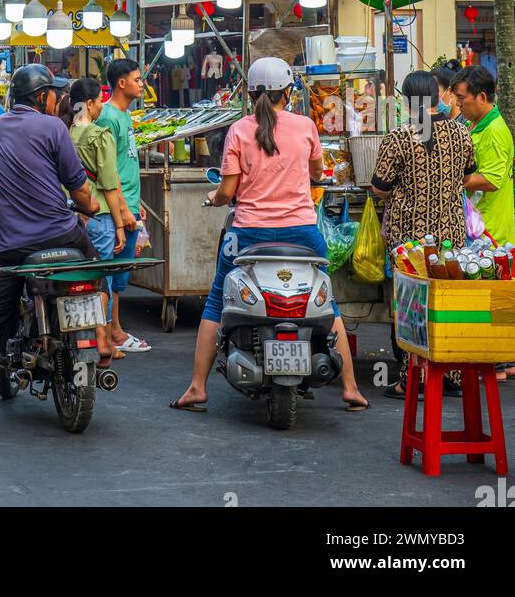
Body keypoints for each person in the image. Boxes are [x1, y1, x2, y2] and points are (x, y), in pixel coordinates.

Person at [172, 57, 369, 413]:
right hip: (303, 233)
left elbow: (228, 191)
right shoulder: (305, 125)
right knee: (328, 302)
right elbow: (317, 174)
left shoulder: (239, 130)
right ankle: (351, 388)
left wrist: (213, 198)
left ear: (249, 93)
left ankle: (198, 387)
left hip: (249, 233)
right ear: (288, 92)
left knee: (216, 300)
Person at [0, 63, 99, 425]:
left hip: (12, 244)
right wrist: (91, 206)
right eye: (54, 92)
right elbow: (79, 189)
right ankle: (102, 341)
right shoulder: (55, 128)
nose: (59, 98)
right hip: (62, 232)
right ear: (43, 97)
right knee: (94, 270)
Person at [371, 69, 475, 398]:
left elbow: (380, 186)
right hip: (451, 234)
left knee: (414, 305)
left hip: (411, 239)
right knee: (449, 302)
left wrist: (404, 194)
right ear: (437, 96)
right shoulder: (461, 134)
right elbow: (469, 174)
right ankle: (452, 376)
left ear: (406, 100)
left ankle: (412, 378)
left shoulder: (401, 136)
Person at [61, 76, 128, 364]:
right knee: (102, 281)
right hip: (98, 217)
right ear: (89, 104)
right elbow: (110, 186)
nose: (101, 106)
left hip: (69, 218)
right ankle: (103, 337)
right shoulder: (100, 136)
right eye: (99, 101)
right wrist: (121, 225)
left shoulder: (62, 134)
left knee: (76, 280)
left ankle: (85, 334)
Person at [97, 58, 150, 353]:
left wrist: (136, 203)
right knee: (112, 274)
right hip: (117, 208)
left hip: (128, 203)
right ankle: (111, 333)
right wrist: (123, 210)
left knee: (120, 276)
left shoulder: (125, 116)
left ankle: (115, 330)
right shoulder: (108, 117)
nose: (141, 84)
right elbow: (109, 169)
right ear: (122, 83)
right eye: (137, 79)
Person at [452, 65, 515, 248]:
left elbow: (491, 180)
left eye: (461, 98)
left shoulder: (494, 131)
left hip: (490, 235)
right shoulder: (476, 124)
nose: (457, 104)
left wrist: (449, 179)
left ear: (481, 97)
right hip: (478, 227)